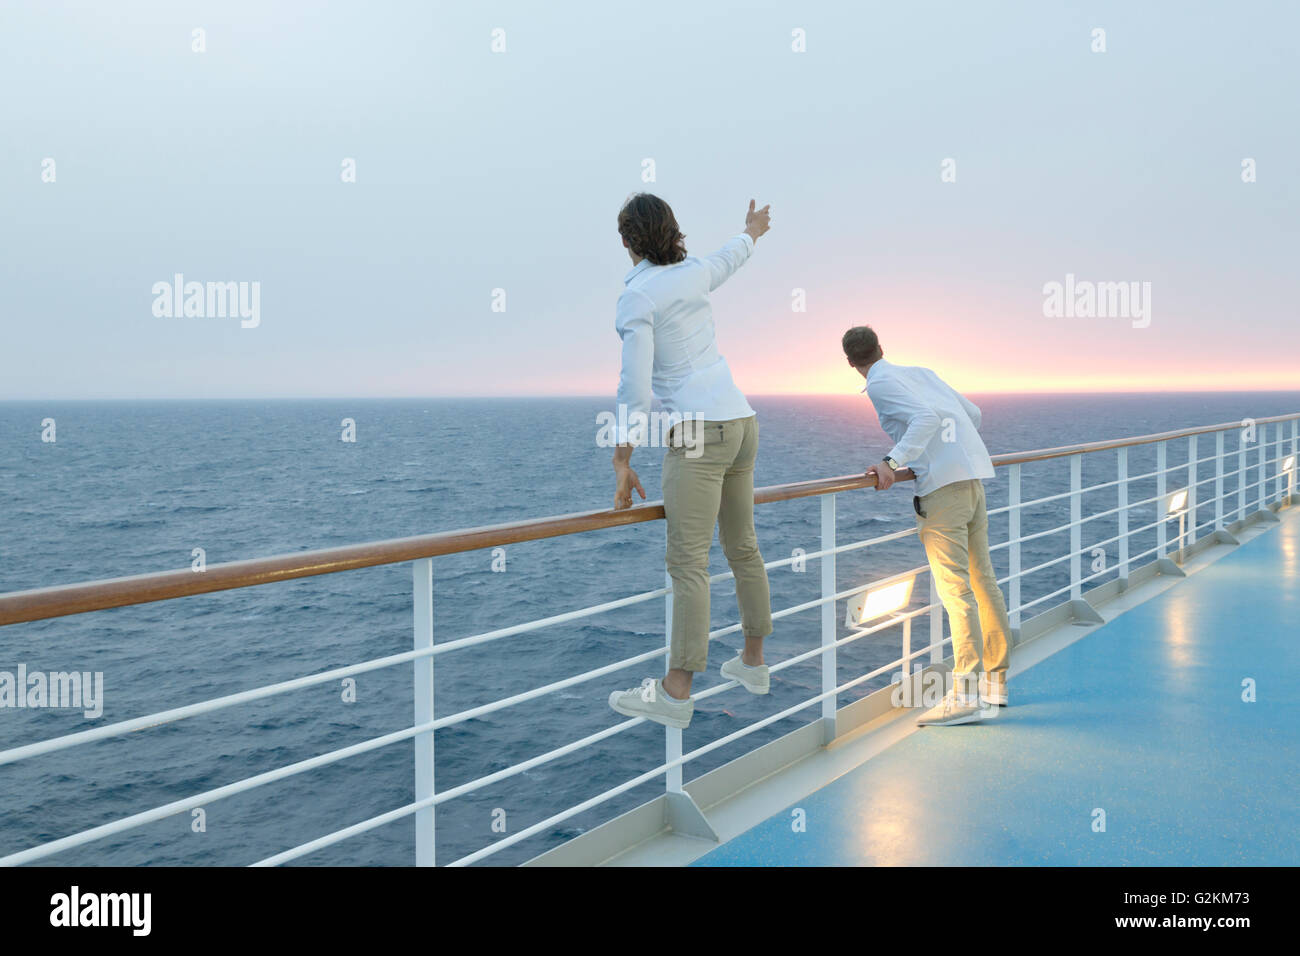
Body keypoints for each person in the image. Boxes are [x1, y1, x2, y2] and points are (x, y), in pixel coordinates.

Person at [606, 193, 774, 730]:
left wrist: (622, 456)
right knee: (743, 547)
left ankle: (676, 691)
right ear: (671, 232)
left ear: (629, 241)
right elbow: (731, 256)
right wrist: (752, 231)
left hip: (699, 434)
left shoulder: (638, 297)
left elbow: (635, 386)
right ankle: (753, 662)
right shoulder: (694, 273)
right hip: (742, 424)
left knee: (688, 564)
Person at [842, 325, 1011, 726]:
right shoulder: (921, 373)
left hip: (943, 495)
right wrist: (951, 453)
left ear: (850, 363)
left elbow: (924, 419)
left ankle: (965, 694)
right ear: (882, 348)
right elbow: (973, 414)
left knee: (956, 591)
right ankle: (996, 684)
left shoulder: (881, 384)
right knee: (983, 581)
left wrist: (891, 463)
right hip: (970, 482)